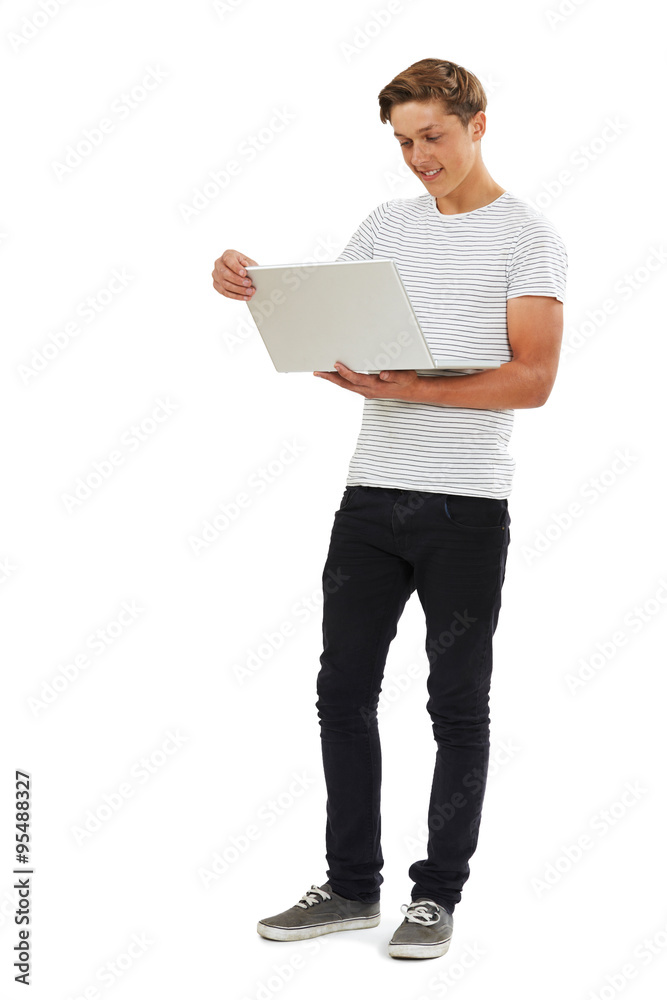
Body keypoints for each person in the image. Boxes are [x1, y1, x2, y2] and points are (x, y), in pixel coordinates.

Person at [212, 57, 567, 961]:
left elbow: (531, 380)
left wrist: (410, 385)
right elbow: (344, 338)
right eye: (404, 143)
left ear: (478, 122)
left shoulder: (528, 237)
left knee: (456, 704)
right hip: (370, 496)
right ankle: (348, 886)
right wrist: (257, 290)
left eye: (432, 138)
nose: (418, 158)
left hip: (464, 508)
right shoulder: (384, 226)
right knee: (341, 695)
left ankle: (434, 897)